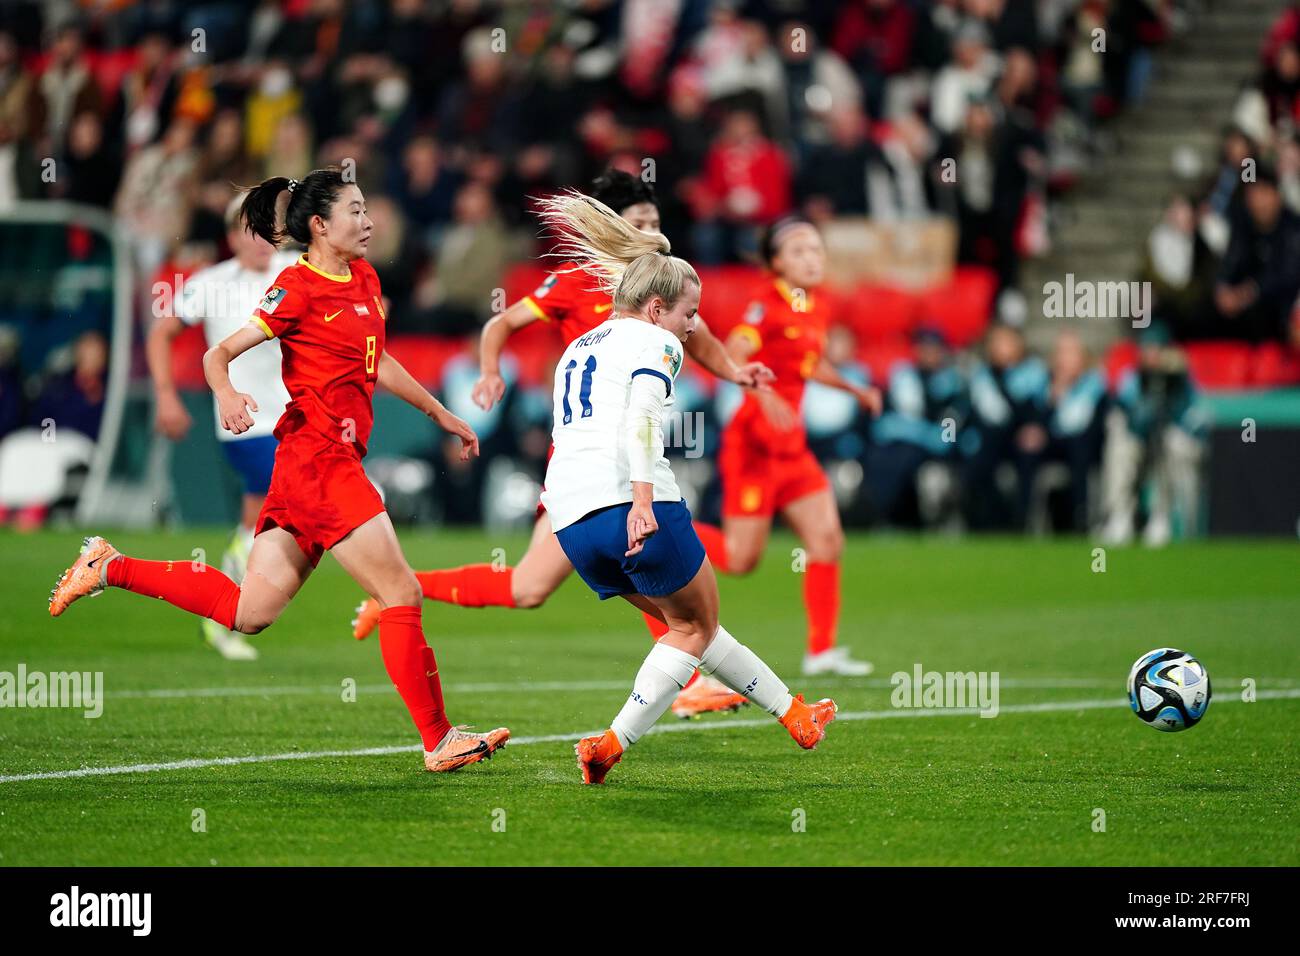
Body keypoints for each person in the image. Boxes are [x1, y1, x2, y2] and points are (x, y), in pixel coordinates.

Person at [49, 167, 509, 774]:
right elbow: (219, 354)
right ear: (320, 225)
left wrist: (440, 411)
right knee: (400, 592)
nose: (368, 221)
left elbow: (378, 359)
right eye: (355, 210)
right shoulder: (295, 288)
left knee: (250, 613)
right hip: (320, 461)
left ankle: (110, 565)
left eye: (367, 208)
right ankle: (438, 738)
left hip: (308, 465)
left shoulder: (365, 277)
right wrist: (227, 395)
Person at [350, 169, 774, 719]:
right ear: (614, 225)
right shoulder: (575, 284)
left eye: (656, 220)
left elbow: (704, 339)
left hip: (625, 460)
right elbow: (500, 325)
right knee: (560, 579)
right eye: (640, 221)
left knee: (536, 584)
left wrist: (737, 374)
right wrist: (489, 372)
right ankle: (398, 591)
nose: (652, 231)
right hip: (589, 465)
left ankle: (398, 592)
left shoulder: (662, 291)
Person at [530, 190, 838, 784]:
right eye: (687, 313)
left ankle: (796, 714)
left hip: (570, 515)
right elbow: (642, 417)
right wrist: (643, 500)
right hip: (628, 500)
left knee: (692, 627)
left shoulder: (577, 346)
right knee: (693, 627)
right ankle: (610, 744)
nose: (692, 325)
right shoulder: (656, 341)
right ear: (654, 308)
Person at [705, 216, 882, 676]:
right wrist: (762, 395)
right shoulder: (764, 305)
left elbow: (808, 363)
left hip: (791, 448)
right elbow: (732, 350)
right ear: (777, 261)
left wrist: (853, 389)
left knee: (827, 540)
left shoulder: (815, 305)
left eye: (817, 250)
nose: (812, 258)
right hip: (754, 447)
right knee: (741, 560)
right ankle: (669, 530)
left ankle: (820, 652)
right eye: (801, 251)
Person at [145, 194, 296, 661]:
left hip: (298, 416)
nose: (263, 240)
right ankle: (223, 612)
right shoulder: (210, 283)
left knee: (263, 520)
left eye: (269, 227)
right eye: (252, 230)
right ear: (232, 237)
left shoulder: (296, 269)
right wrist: (167, 395)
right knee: (273, 510)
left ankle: (223, 610)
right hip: (245, 421)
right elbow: (161, 333)